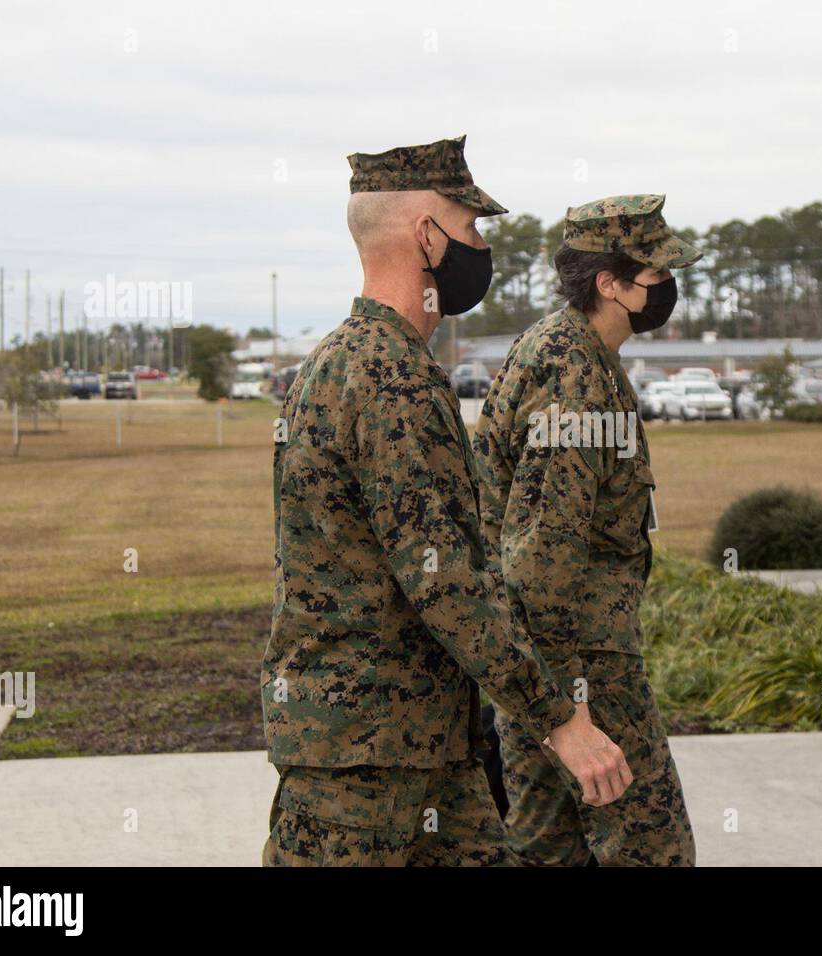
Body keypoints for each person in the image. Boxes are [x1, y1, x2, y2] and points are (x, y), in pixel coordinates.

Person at [261, 138, 631, 867]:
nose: (482, 246)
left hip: (413, 749)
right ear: (427, 235)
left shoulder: (336, 361)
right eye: (472, 228)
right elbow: (446, 579)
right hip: (371, 768)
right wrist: (558, 718)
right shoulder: (390, 377)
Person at [472, 194, 698, 866]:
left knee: (549, 849)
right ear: (611, 284)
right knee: (653, 848)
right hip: (581, 675)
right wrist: (565, 713)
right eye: (656, 273)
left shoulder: (582, 354)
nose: (667, 286)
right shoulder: (571, 374)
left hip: (549, 670)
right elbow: (541, 553)